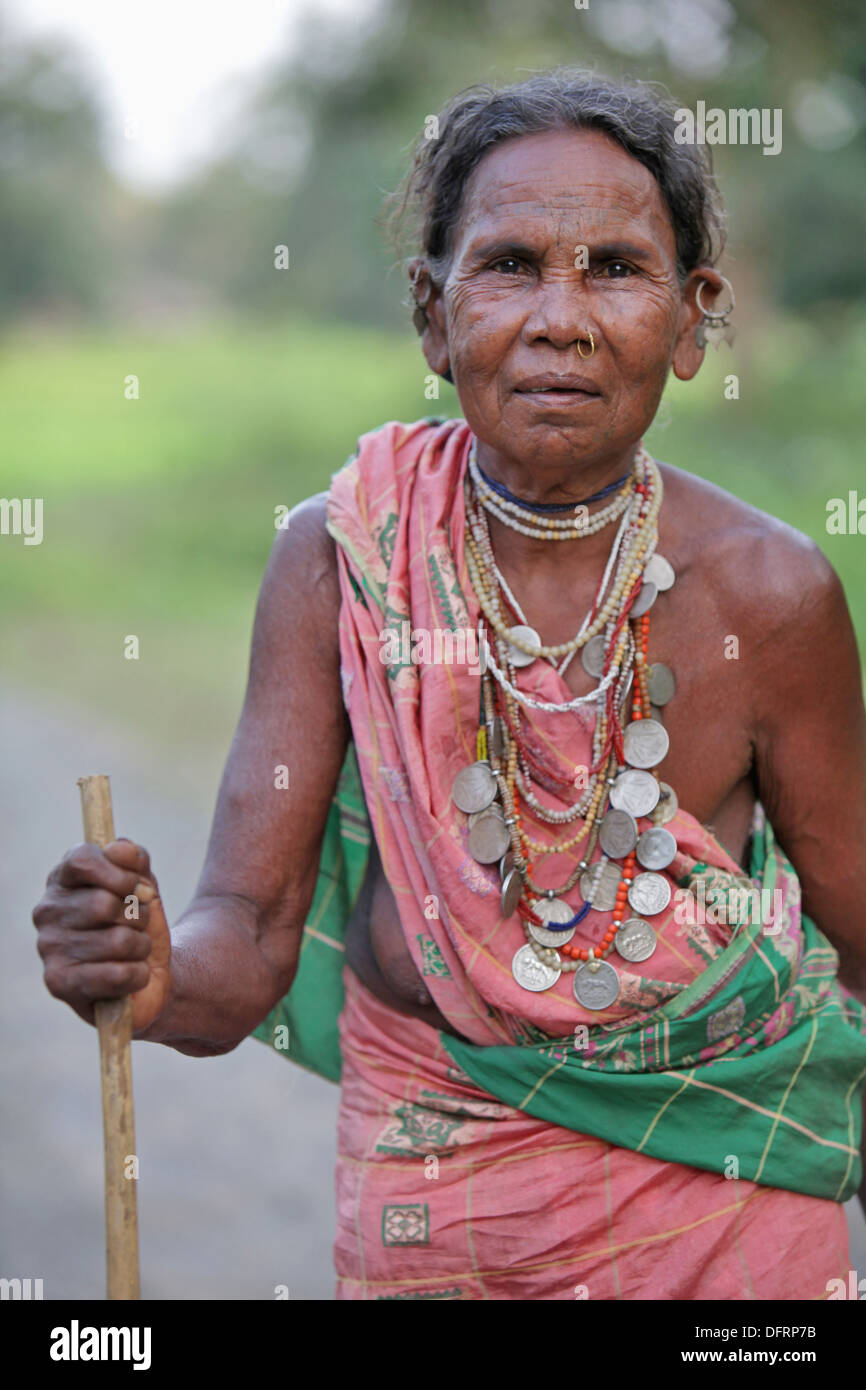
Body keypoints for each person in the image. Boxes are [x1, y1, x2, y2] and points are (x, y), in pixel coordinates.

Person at [33, 69, 866, 1300]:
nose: (562, 319)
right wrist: (149, 971)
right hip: (435, 1193)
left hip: (721, 1216)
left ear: (691, 322)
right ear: (432, 313)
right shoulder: (343, 557)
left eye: (616, 270)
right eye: (510, 265)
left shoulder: (770, 596)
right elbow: (248, 937)